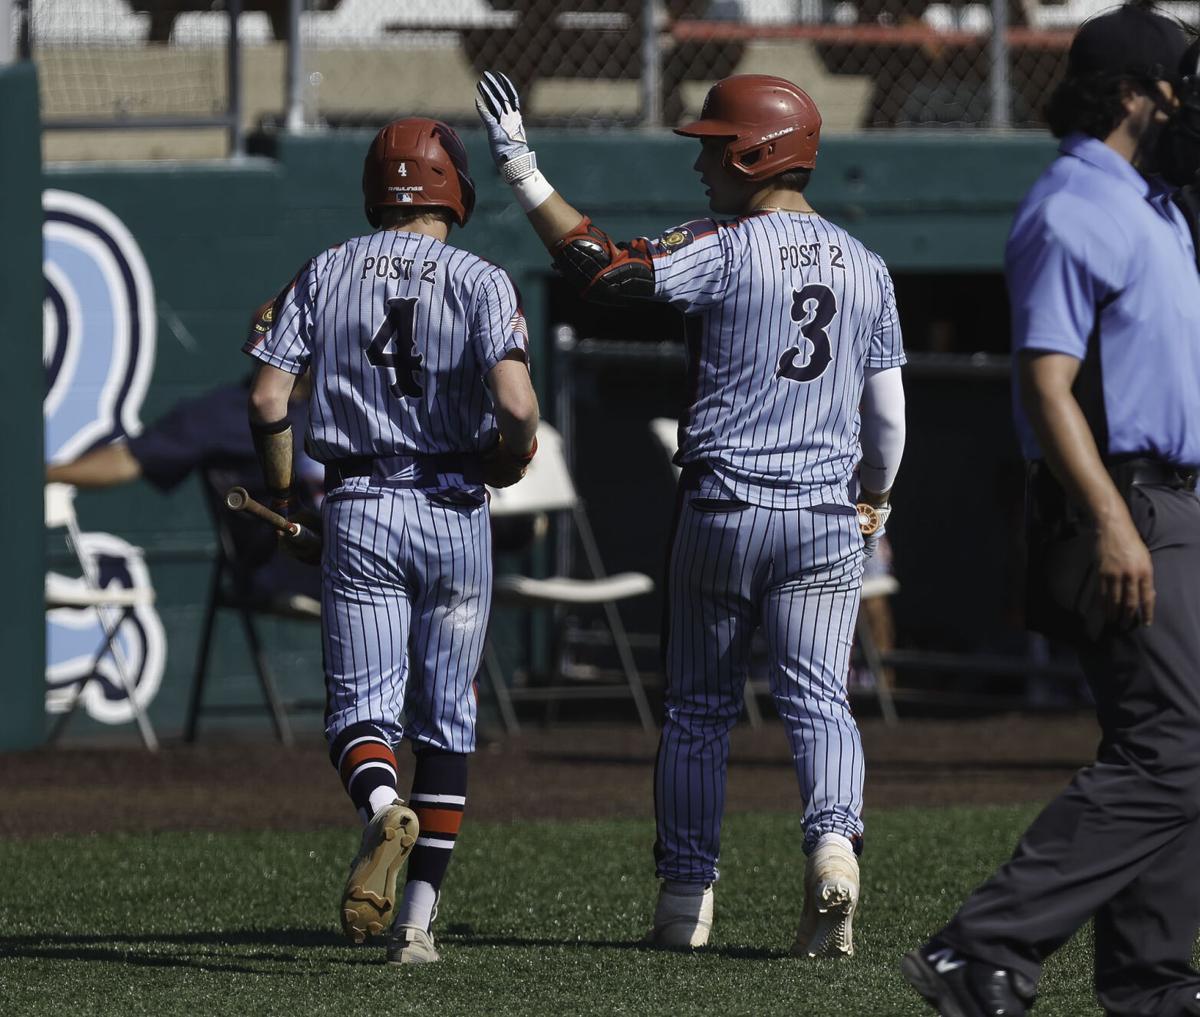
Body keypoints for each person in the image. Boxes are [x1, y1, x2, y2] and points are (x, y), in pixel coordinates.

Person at [475, 70, 907, 956]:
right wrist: (877, 493)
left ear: (756, 152)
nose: (703, 162)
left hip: (724, 507)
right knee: (821, 700)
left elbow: (602, 271)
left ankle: (685, 901)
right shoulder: (868, 268)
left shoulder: (724, 243)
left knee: (701, 710)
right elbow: (890, 415)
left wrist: (521, 167)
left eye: (715, 146)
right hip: (825, 515)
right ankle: (833, 847)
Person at [902, 7, 1200, 1016]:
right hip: (1118, 503)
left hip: (1171, 500)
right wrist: (1113, 519)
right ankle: (980, 948)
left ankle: (1152, 982)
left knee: (1171, 748)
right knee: (1174, 745)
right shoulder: (1073, 204)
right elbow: (1047, 384)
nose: (1184, 104)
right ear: (1128, 95)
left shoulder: (1157, 202)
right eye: (1175, 86)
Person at [243, 117, 539, 966]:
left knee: (359, 715)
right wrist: (510, 459)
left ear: (377, 190)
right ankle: (416, 926)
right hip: (455, 505)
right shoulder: (483, 279)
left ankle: (380, 806)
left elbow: (268, 398)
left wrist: (280, 493)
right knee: (446, 723)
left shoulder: (327, 269)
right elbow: (517, 411)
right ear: (456, 191)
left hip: (364, 502)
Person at [46, 350, 322, 613]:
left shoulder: (345, 404)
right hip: (290, 565)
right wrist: (40, 476)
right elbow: (130, 459)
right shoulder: (224, 414)